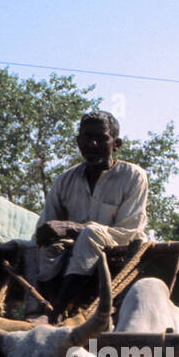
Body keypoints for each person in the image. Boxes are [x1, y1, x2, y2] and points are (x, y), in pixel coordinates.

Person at [28, 111, 149, 321]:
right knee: (37, 245)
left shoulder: (133, 176)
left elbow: (128, 232)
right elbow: (47, 226)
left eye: (101, 138)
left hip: (116, 245)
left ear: (116, 144)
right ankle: (47, 308)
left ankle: (57, 312)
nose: (92, 144)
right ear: (78, 142)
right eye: (86, 137)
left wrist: (71, 228)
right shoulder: (64, 180)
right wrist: (47, 232)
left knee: (90, 233)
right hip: (73, 252)